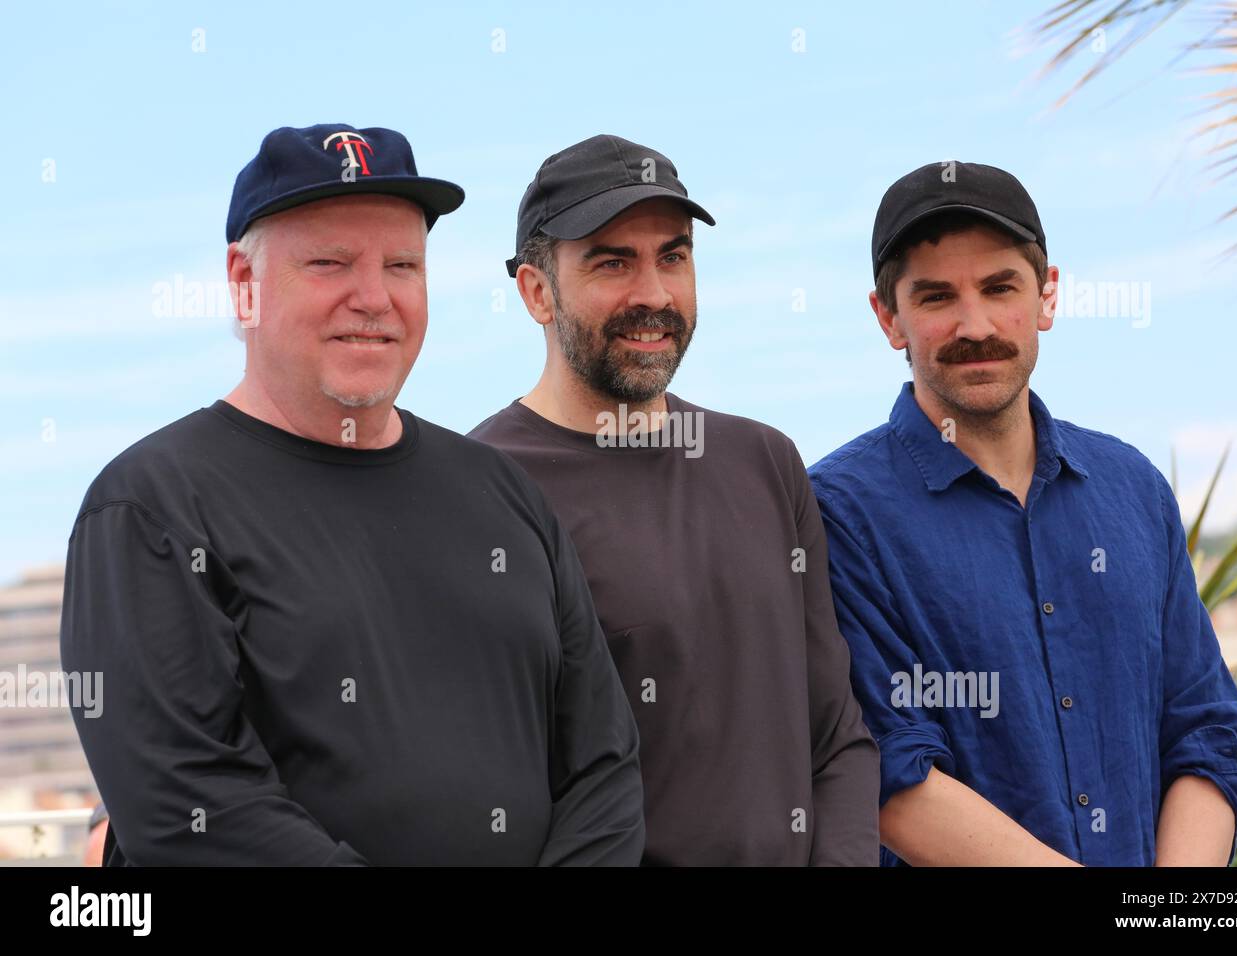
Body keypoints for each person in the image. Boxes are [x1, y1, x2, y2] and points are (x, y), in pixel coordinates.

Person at [60, 124, 643, 866]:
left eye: (402, 264)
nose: (373, 299)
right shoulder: (151, 507)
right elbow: (190, 806)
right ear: (244, 283)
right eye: (330, 263)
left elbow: (605, 766)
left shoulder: (502, 491)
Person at [809, 160, 1237, 866]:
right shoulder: (835, 512)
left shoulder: (1133, 489)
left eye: (1000, 288)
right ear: (888, 318)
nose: (975, 324)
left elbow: (1207, 733)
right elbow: (885, 771)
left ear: (1048, 296)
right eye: (936, 297)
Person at [470, 134, 880, 865]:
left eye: (674, 255)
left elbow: (835, 733)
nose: (654, 295)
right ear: (537, 291)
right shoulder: (481, 490)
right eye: (612, 261)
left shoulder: (765, 461)